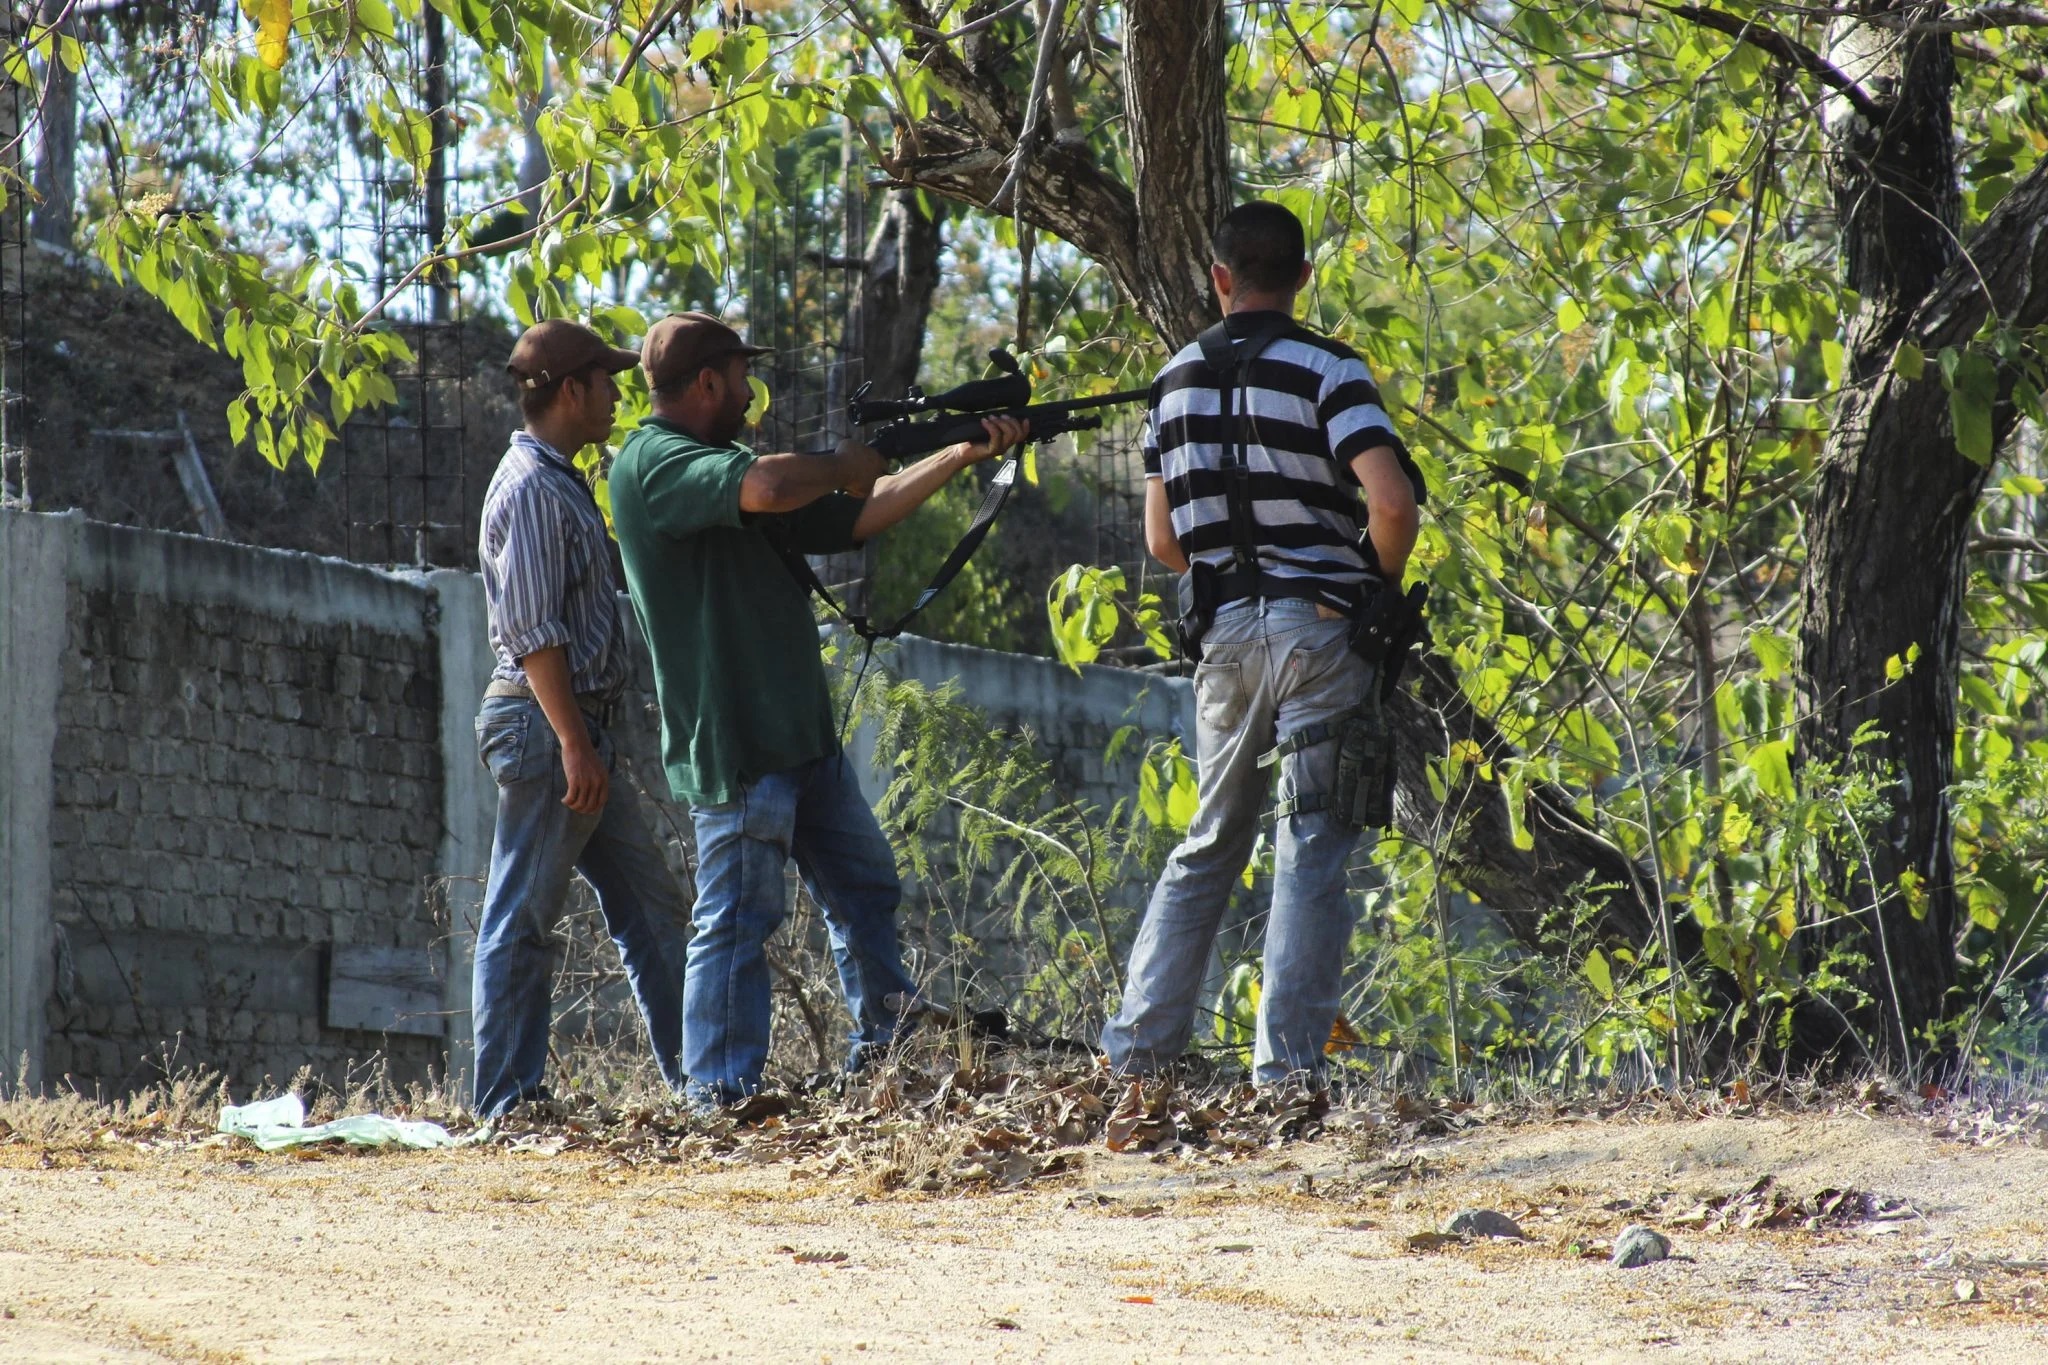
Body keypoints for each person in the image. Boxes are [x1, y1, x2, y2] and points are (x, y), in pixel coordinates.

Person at [607, 312, 1027, 1108]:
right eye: (740, 378)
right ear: (707, 382)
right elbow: (773, 485)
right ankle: (717, 1094)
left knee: (865, 885)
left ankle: (884, 1043)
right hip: (739, 740)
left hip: (800, 736)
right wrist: (842, 463)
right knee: (739, 914)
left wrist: (957, 451)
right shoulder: (654, 460)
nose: (750, 394)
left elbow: (860, 514)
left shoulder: (725, 469)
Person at [1101, 202, 1424, 1088]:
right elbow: (1391, 503)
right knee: (1312, 844)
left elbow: (1163, 542)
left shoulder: (1171, 381)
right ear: (1303, 277)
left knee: (1210, 839)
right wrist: (1370, 585)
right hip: (1319, 632)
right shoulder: (1329, 368)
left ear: (1219, 277)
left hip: (1225, 639)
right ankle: (1284, 1073)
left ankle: (1138, 1056)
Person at [471, 319, 690, 1118]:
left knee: (652, 909)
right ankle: (505, 1104)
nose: (617, 394)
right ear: (572, 390)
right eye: (606, 381)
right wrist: (572, 742)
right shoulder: (531, 486)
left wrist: (583, 739)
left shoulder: (557, 477)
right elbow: (534, 633)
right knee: (522, 916)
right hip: (547, 727)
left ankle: (705, 1082)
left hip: (575, 731)